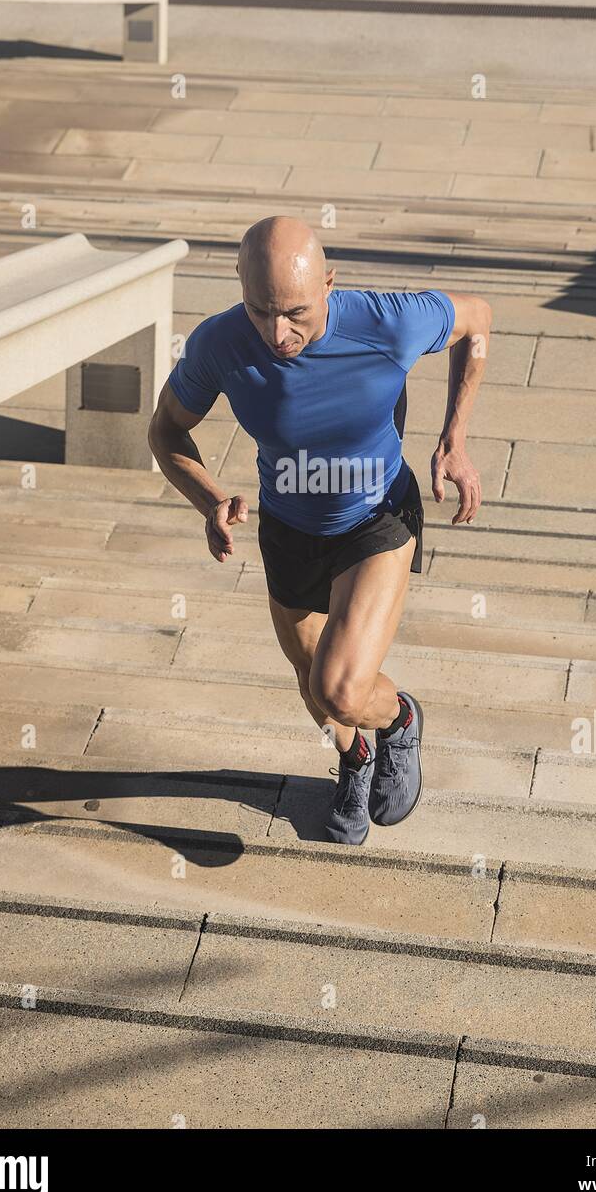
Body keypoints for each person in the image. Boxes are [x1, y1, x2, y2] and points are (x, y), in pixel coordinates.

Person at [148, 217, 491, 845]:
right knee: (317, 689)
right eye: (262, 312)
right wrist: (210, 499)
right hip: (287, 526)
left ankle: (399, 717)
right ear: (241, 288)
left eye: (298, 313)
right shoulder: (219, 344)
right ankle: (355, 759)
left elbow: (477, 320)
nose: (279, 334)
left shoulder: (388, 322)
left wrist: (454, 438)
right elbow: (165, 432)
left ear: (329, 283)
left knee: (340, 686)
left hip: (376, 517)